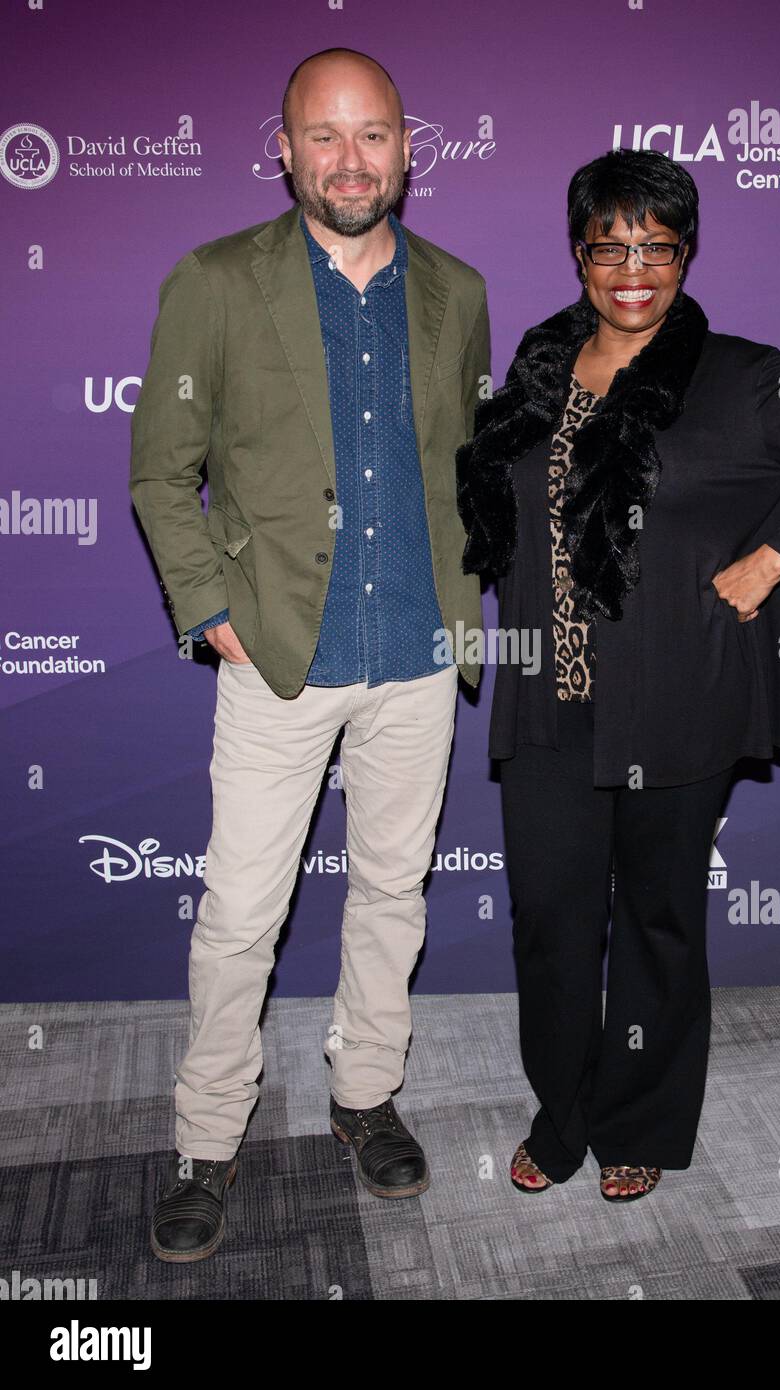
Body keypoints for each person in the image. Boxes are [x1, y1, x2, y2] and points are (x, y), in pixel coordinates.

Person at [456, 148, 780, 1202]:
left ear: (686, 255)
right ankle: (562, 1114)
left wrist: (773, 558)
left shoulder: (742, 377)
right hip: (549, 699)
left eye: (656, 248)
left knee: (659, 921)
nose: (634, 270)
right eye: (610, 246)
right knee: (552, 922)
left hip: (676, 699)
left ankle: (639, 1121)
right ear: (578, 253)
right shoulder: (536, 372)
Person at [130, 47, 490, 1261]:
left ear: (408, 147)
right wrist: (208, 606)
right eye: (323, 136)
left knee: (391, 893)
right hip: (278, 654)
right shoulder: (216, 280)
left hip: (417, 653)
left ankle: (364, 1093)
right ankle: (206, 1140)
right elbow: (160, 472)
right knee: (242, 913)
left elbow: (466, 462)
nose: (349, 161)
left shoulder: (456, 290)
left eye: (372, 134)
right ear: (283, 149)